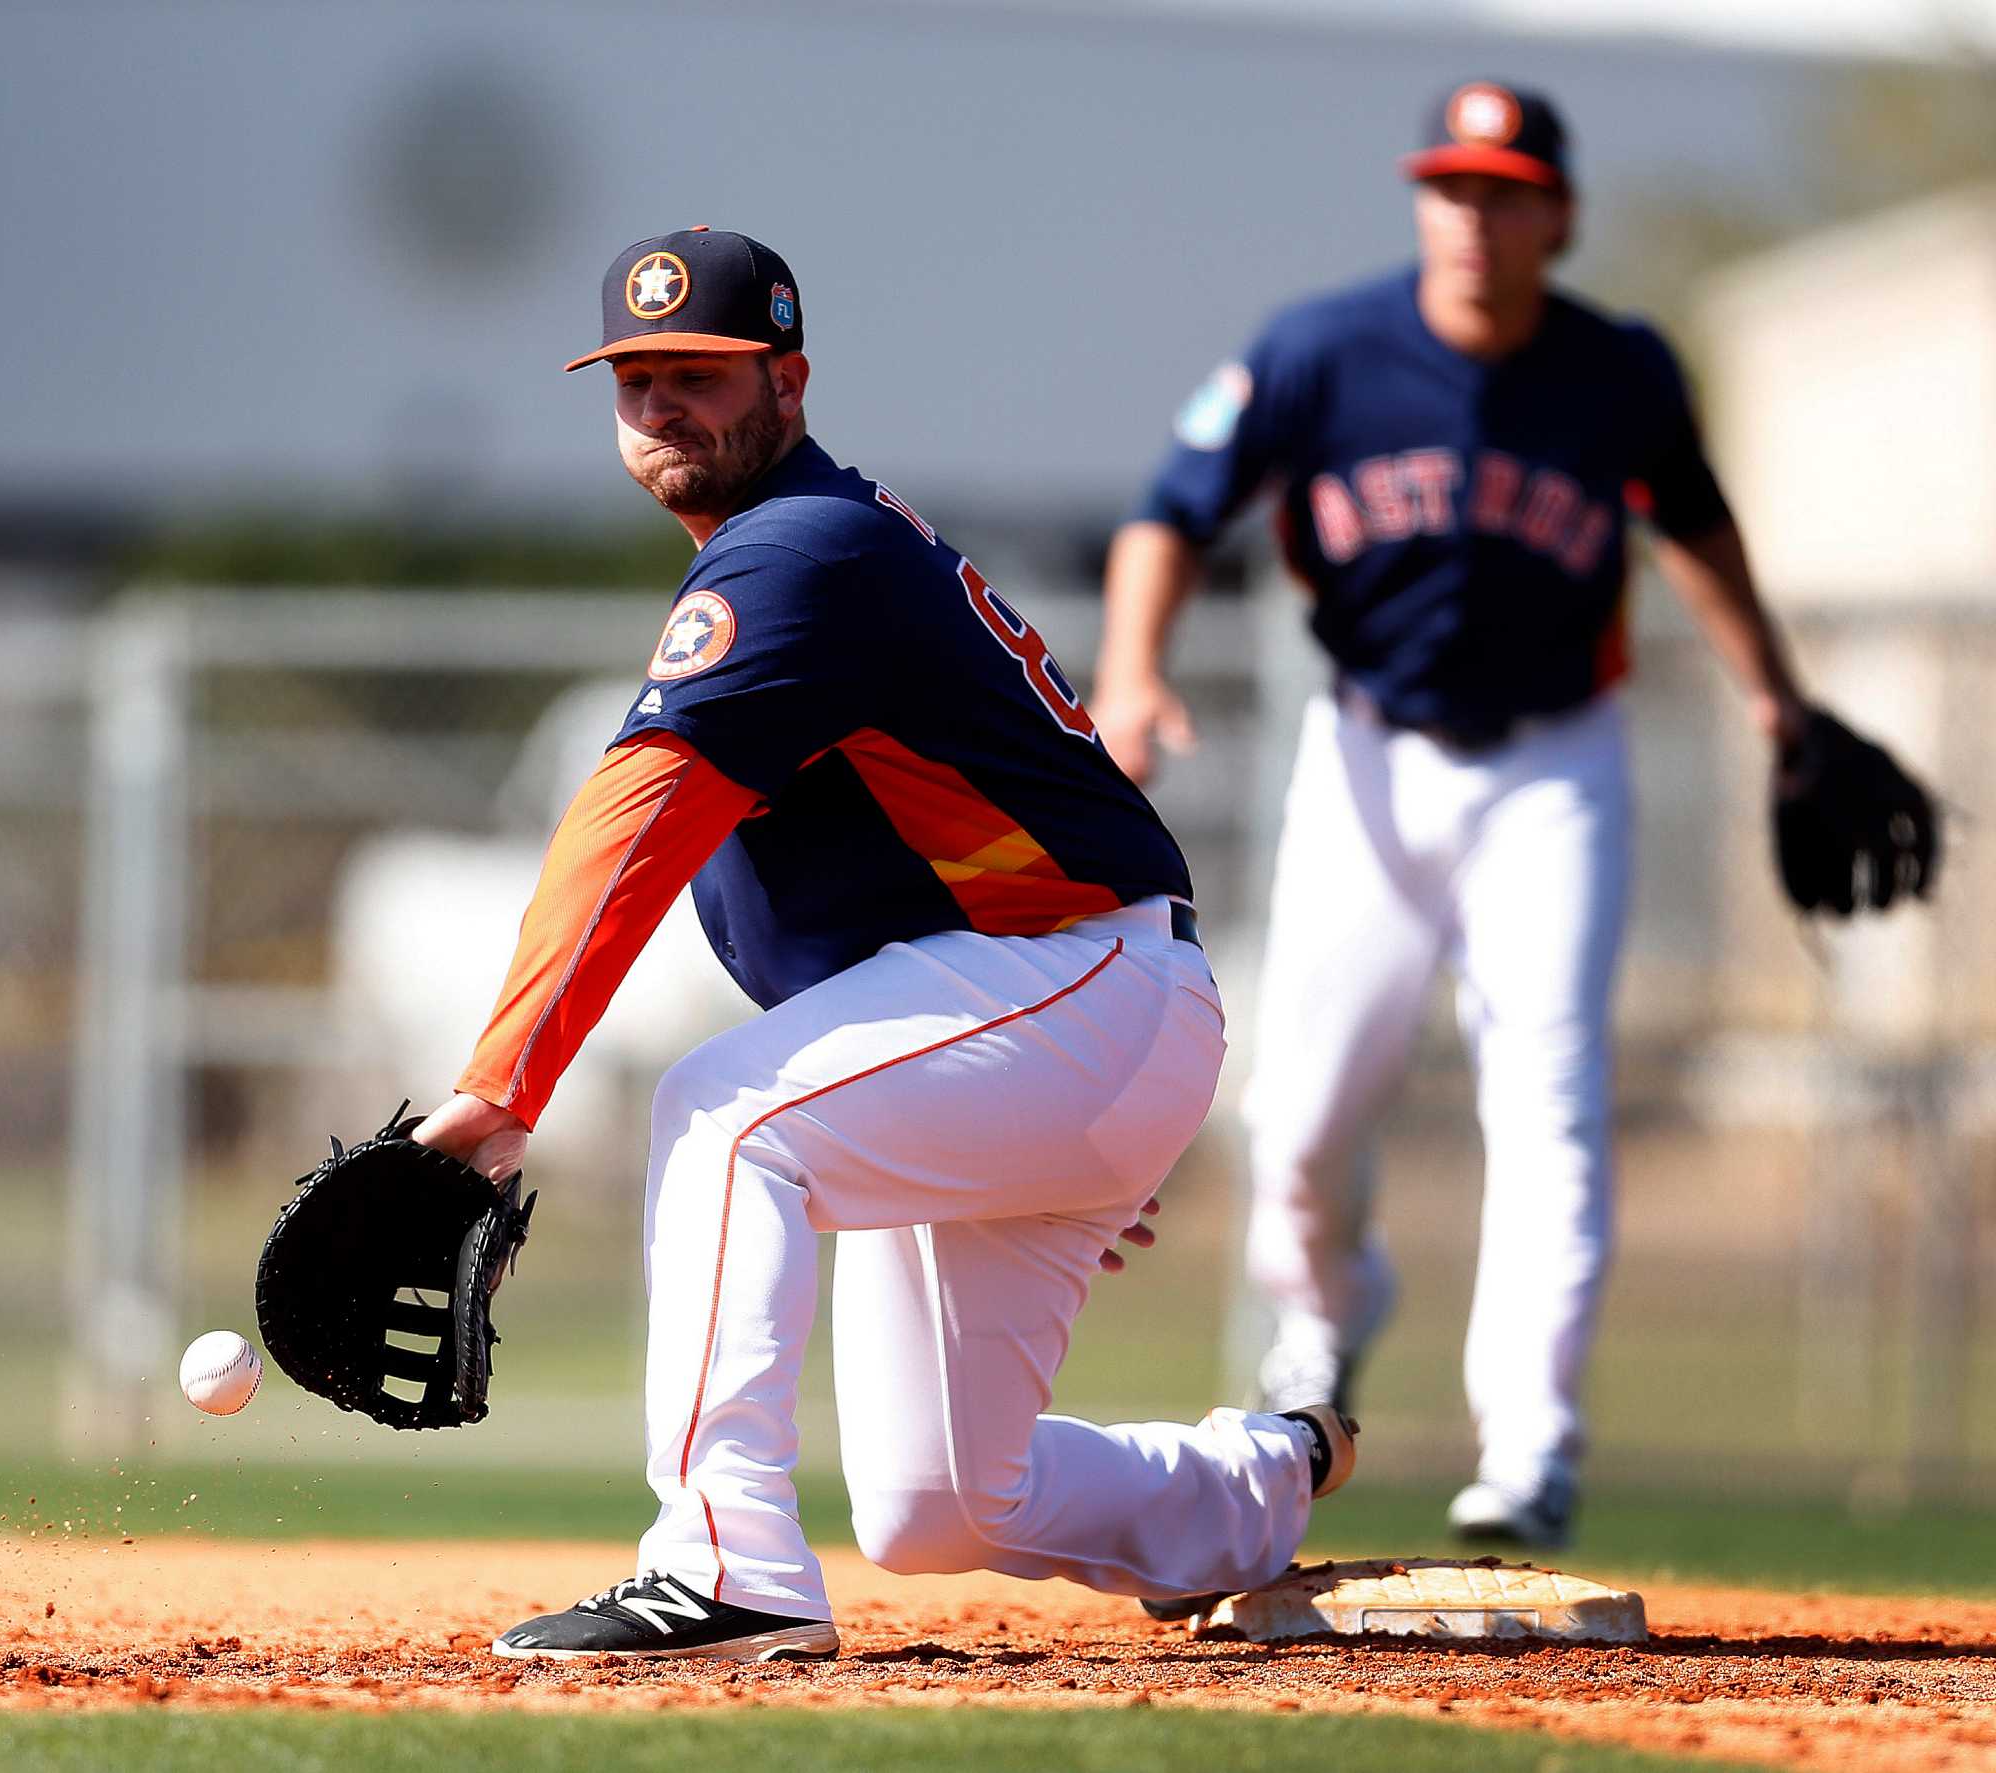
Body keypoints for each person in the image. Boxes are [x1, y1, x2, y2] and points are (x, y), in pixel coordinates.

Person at [408, 228, 1356, 1662]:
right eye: (637, 378)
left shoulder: (799, 550)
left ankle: (724, 1563)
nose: (664, 403)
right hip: (1062, 1010)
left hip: (1073, 978)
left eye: (703, 374)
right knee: (940, 1499)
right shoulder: (815, 547)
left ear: (787, 381)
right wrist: (1051, 1128)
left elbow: (631, 823)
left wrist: (501, 1085)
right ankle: (1257, 1482)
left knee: (720, 1120)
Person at [1092, 85, 1814, 1549]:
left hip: (1557, 767)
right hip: (1366, 759)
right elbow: (1173, 509)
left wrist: (1778, 701)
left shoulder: (1617, 370)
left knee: (1548, 1098)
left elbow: (1700, 527)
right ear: (1423, 204)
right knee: (1298, 1112)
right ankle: (1330, 1317)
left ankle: (1532, 1442)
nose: (1473, 218)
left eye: (1505, 192)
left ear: (1558, 215)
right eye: (1451, 188)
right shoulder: (1323, 351)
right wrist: (1129, 672)